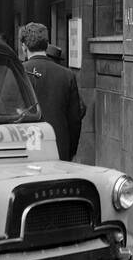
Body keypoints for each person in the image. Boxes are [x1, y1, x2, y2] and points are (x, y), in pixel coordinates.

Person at [20, 22, 86, 162]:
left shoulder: (18, 72)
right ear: (46, 44)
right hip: (59, 148)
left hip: (26, 148)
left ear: (24, 47)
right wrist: (70, 150)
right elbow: (75, 120)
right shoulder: (67, 75)